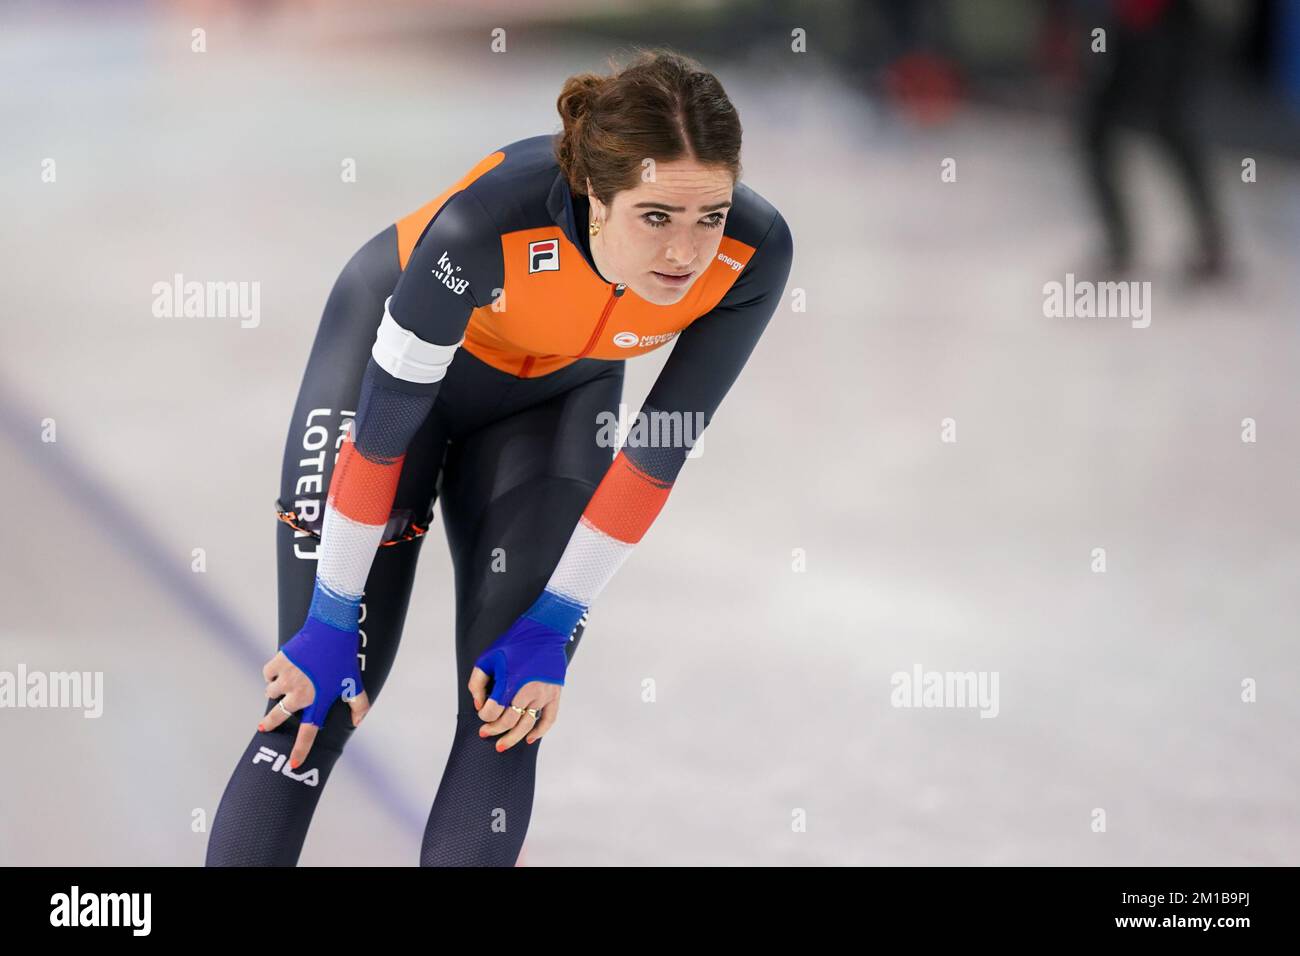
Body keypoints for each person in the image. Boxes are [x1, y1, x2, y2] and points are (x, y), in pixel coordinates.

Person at [204, 47, 794, 867]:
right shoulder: (485, 227)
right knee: (315, 700)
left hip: (552, 404)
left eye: (711, 216)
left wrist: (556, 620)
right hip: (394, 387)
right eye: (656, 217)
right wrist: (334, 613)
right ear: (596, 195)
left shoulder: (754, 256)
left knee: (508, 708)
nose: (687, 253)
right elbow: (378, 443)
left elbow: (654, 461)